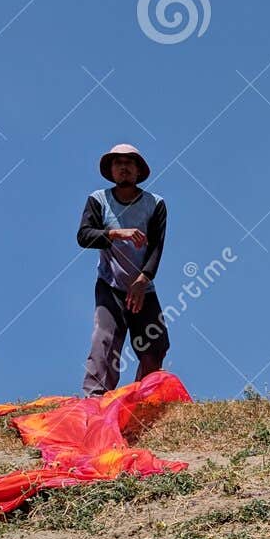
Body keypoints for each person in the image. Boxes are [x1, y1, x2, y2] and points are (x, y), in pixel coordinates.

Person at [76, 144, 170, 396]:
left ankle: (144, 398)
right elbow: (84, 236)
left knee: (156, 343)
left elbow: (156, 247)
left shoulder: (155, 204)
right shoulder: (98, 200)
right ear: (111, 171)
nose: (124, 167)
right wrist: (116, 233)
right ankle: (95, 400)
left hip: (142, 287)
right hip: (110, 285)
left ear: (139, 170)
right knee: (104, 340)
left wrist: (143, 280)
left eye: (129, 163)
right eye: (118, 163)